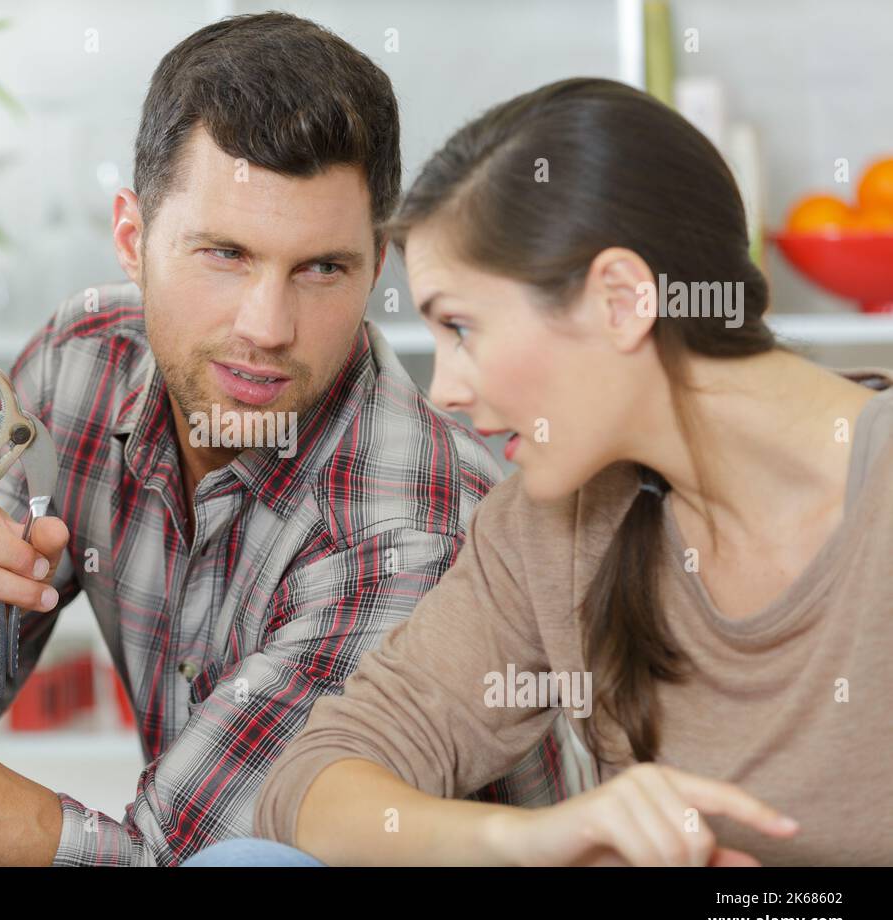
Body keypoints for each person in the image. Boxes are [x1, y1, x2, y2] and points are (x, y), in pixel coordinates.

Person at [0, 13, 573, 868]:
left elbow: (161, 865)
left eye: (322, 269)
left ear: (377, 266)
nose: (268, 326)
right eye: (224, 254)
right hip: (195, 837)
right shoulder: (82, 366)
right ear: (133, 238)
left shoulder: (410, 522)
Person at [191, 77, 893, 866]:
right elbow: (312, 782)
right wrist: (532, 841)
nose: (446, 391)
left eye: (461, 325)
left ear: (622, 299)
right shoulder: (554, 526)